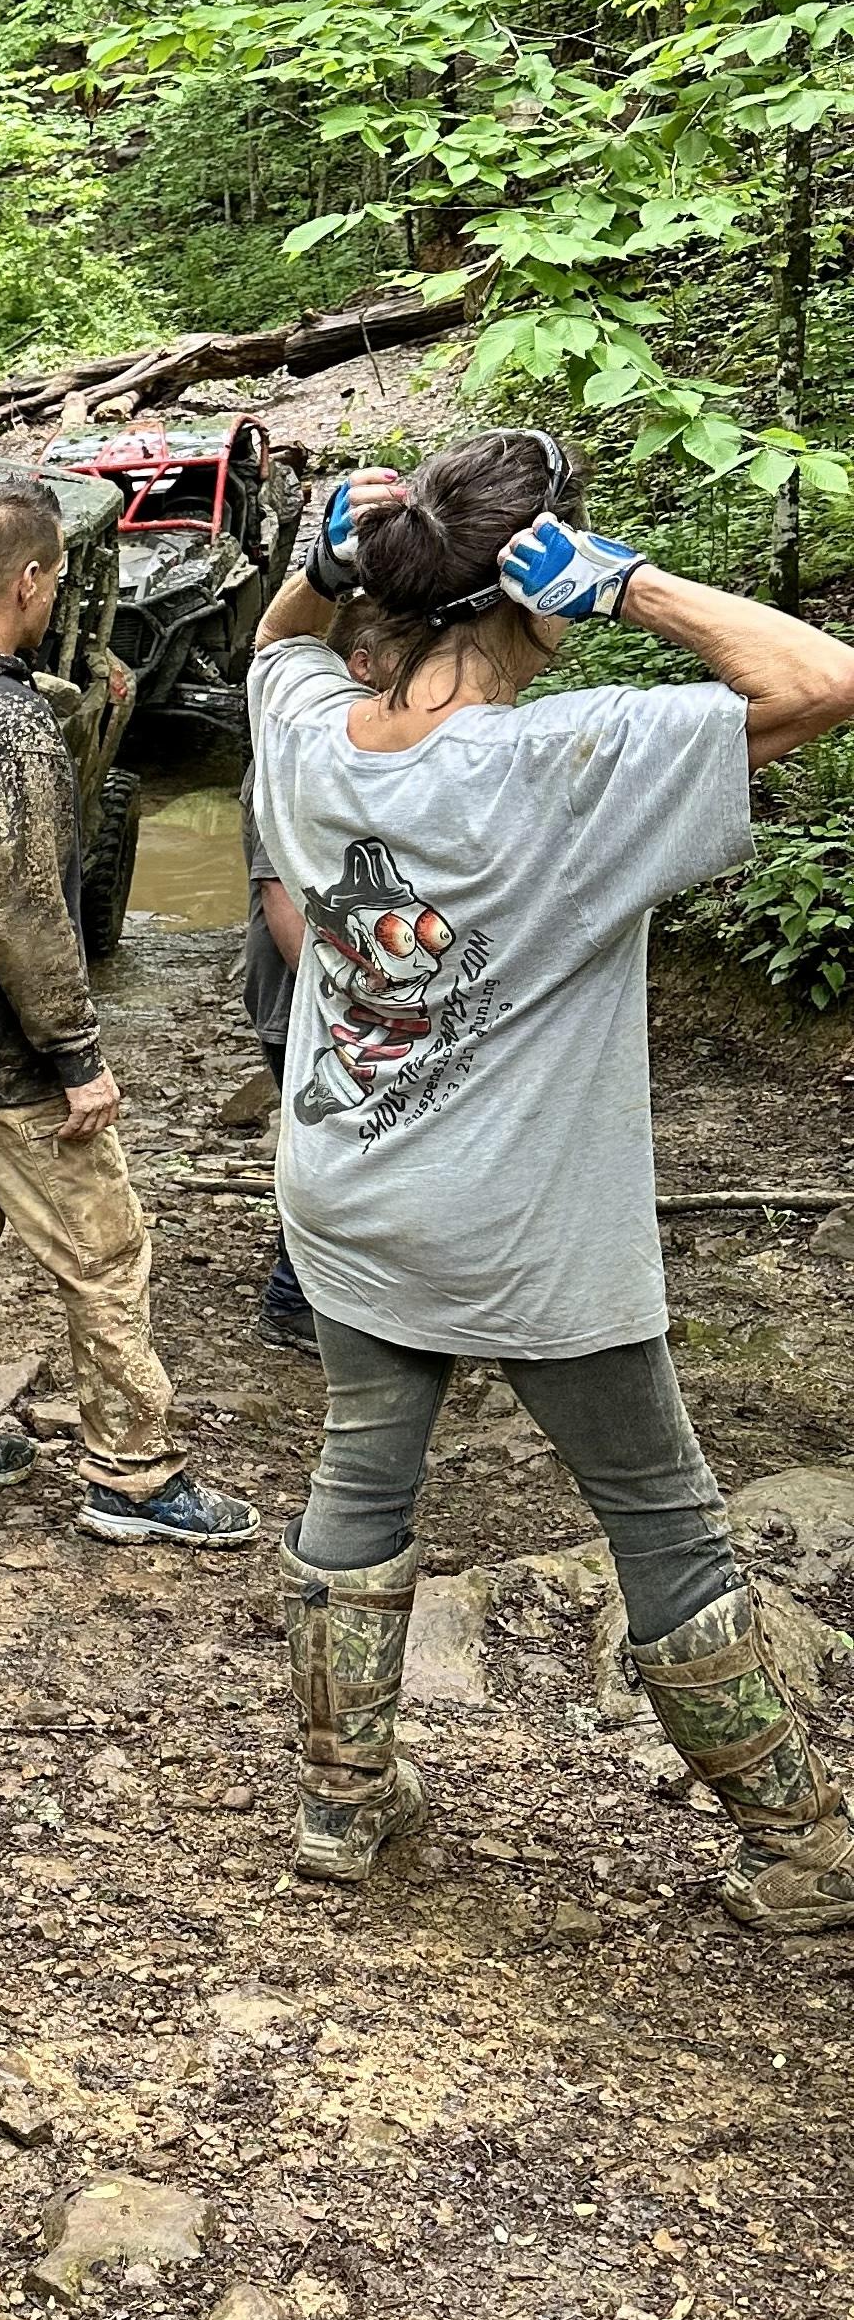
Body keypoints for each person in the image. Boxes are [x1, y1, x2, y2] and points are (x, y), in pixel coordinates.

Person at [249, 426, 854, 1930]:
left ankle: (341, 1805)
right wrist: (637, 585)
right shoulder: (571, 761)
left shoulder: (310, 733)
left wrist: (318, 565)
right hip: (523, 1225)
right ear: (540, 590)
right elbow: (821, 682)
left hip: (349, 1185)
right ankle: (800, 1842)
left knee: (362, 1472)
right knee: (660, 1515)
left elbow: (280, 642)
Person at [0, 472, 259, 1548]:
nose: (58, 594)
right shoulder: (11, 725)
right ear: (30, 582)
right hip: (0, 1056)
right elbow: (26, 913)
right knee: (106, 1252)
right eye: (59, 577)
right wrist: (78, 1056)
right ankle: (133, 1475)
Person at [239, 778, 320, 1351]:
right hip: (299, 1000)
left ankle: (310, 1289)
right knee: (325, 1150)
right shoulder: (290, 763)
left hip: (316, 997)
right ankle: (290, 1302)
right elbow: (279, 896)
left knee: (328, 1146)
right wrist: (334, 998)